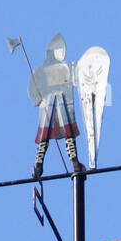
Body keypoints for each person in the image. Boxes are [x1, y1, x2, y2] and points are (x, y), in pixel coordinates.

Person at [29, 33, 81, 176]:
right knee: (47, 136)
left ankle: (74, 162)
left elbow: (80, 76)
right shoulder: (41, 71)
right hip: (50, 104)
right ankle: (39, 165)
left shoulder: (68, 67)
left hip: (62, 104)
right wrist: (38, 99)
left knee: (67, 133)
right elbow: (33, 89)